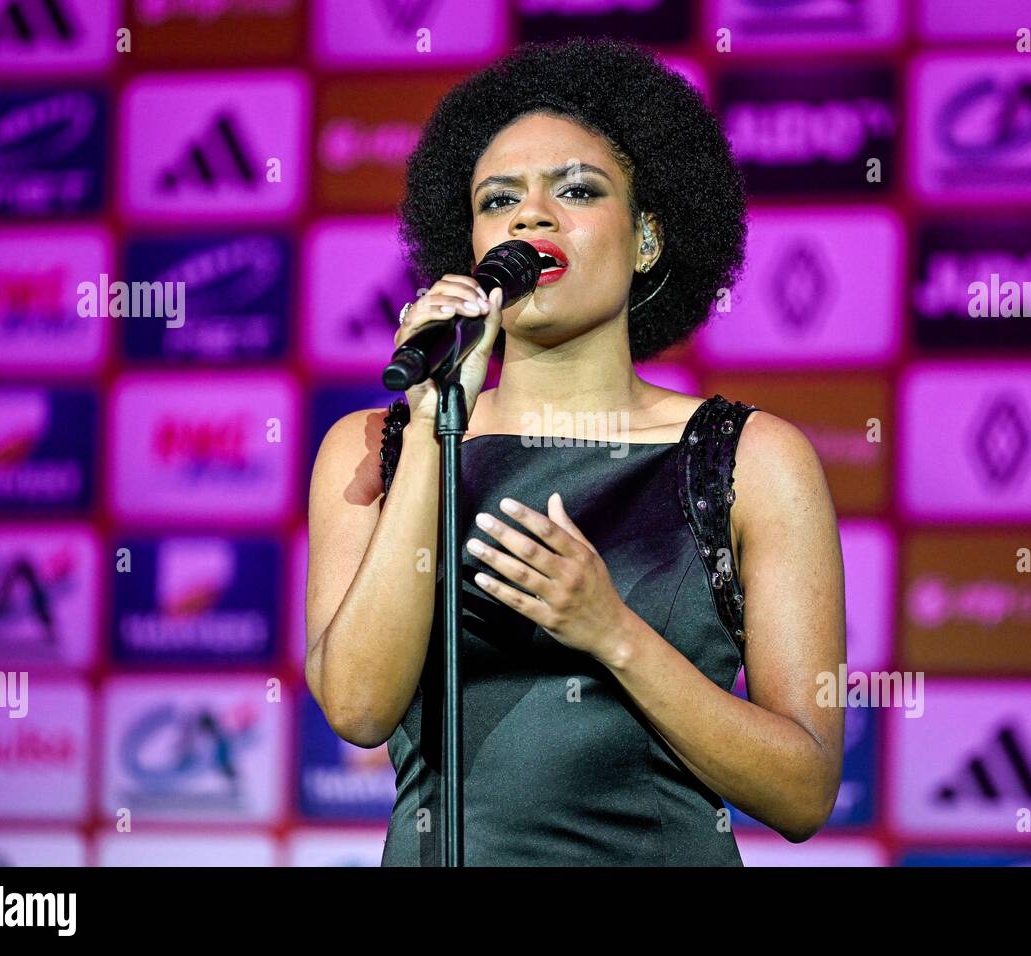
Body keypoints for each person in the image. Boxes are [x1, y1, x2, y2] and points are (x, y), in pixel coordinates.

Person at [306, 36, 846, 866]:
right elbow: (358, 708)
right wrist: (431, 421)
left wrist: (611, 631)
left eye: (578, 190)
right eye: (498, 201)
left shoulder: (752, 459)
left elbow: (803, 791)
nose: (530, 217)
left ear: (647, 241)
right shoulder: (378, 446)